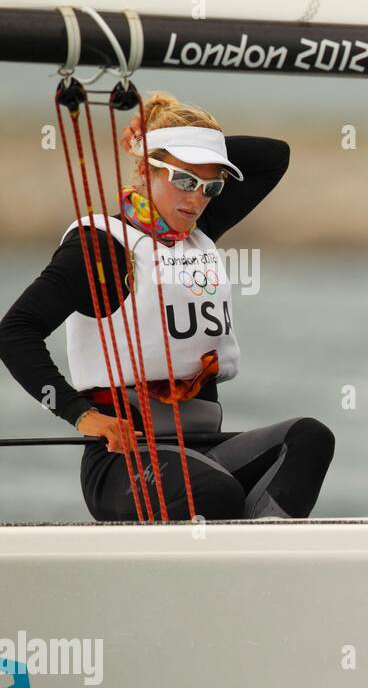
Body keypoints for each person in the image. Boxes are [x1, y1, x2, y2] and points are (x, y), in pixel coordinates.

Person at [0, 91, 334, 521]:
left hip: (201, 451)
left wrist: (182, 137)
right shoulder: (100, 246)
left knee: (309, 438)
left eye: (210, 186)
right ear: (145, 169)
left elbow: (274, 156)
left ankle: (259, 559)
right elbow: (15, 331)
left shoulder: (199, 226)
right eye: (183, 179)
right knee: (214, 493)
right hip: (124, 463)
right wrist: (80, 415)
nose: (195, 199)